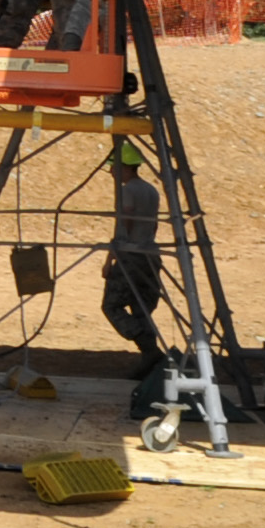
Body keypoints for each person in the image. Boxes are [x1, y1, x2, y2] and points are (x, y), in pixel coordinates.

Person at [100, 139, 167, 369]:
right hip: (150, 254)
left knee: (111, 305)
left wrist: (110, 260)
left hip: (130, 257)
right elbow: (154, 225)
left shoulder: (128, 191)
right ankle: (151, 357)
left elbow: (123, 227)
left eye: (114, 167)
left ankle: (148, 347)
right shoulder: (151, 190)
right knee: (142, 308)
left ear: (125, 167)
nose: (111, 172)